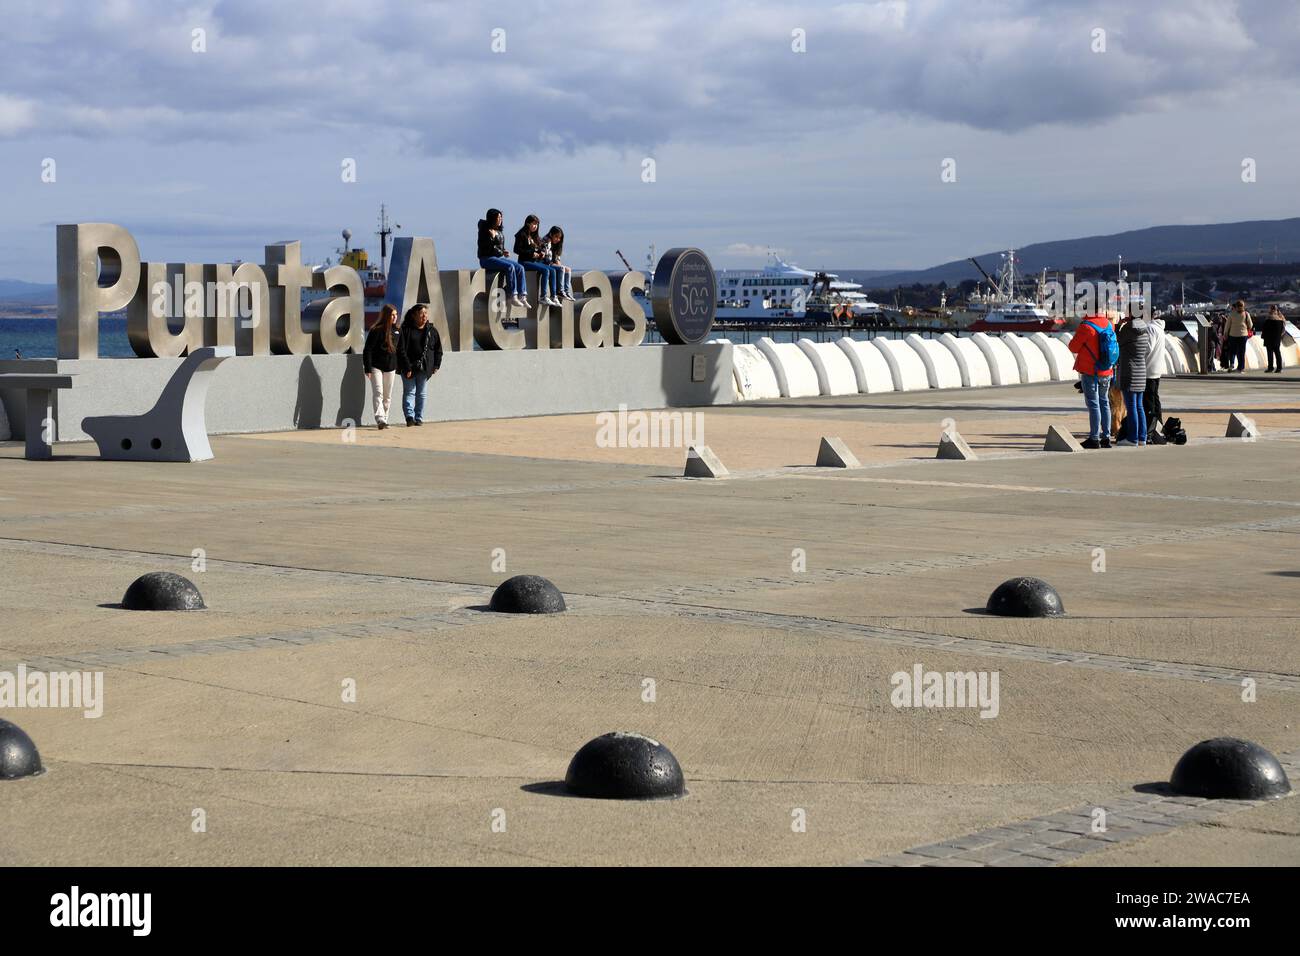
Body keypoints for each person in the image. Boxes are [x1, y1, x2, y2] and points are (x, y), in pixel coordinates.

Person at [1068, 311, 1116, 449]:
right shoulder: (1109, 324)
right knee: (1104, 402)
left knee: (1094, 405)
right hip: (1106, 370)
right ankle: (1106, 438)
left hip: (1091, 371)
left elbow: (1073, 347)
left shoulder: (1086, 326)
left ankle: (1094, 438)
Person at [397, 304, 442, 426]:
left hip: (424, 367)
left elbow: (438, 350)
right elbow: (400, 350)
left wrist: (436, 365)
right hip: (408, 367)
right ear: (414, 315)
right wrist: (407, 366)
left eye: (426, 313)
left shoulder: (432, 331)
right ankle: (409, 417)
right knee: (409, 392)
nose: (424, 316)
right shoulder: (406, 330)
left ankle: (419, 418)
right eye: (421, 313)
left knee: (421, 393)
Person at [477, 209, 528, 308]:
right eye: (498, 217)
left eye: (501, 217)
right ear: (492, 218)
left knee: (520, 267)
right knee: (510, 267)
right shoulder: (484, 231)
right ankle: (512, 295)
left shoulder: (499, 231)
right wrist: (492, 238)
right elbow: (486, 248)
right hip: (486, 259)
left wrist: (503, 251)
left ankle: (522, 295)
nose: (500, 219)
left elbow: (499, 247)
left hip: (498, 258)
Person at [363, 303, 400, 429]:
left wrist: (404, 367)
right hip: (376, 366)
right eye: (392, 315)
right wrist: (367, 368)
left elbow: (401, 350)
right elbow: (367, 350)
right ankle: (380, 419)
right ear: (386, 316)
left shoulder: (397, 331)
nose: (395, 317)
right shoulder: (376, 330)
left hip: (391, 367)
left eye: (396, 315)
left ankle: (385, 418)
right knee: (378, 392)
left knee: (387, 396)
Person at [1116, 313, 1150, 446]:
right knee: (1139, 406)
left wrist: (1119, 325)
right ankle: (1142, 437)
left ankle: (1132, 438)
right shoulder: (1145, 328)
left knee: (1131, 407)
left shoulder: (1128, 328)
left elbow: (1117, 340)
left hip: (1129, 372)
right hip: (1141, 371)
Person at [513, 214, 561, 307]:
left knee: (552, 270)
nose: (535, 226)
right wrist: (531, 254)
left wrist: (541, 253)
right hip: (524, 262)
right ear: (527, 223)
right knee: (546, 270)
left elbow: (537, 249)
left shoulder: (534, 236)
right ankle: (543, 296)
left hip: (534, 261)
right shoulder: (521, 234)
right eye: (533, 224)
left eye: (537, 224)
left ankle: (554, 296)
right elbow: (517, 250)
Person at [1143, 314, 1166, 430]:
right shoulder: (1159, 328)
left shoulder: (1150, 328)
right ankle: (1159, 424)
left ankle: (1150, 427)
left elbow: (1148, 347)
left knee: (1148, 400)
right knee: (1155, 398)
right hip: (1157, 368)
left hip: (1149, 369)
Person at [541, 225, 575, 300]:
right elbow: (545, 258)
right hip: (545, 263)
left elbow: (557, 259)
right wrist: (557, 265)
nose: (558, 239)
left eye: (560, 238)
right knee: (561, 268)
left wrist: (560, 265)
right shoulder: (546, 241)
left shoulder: (557, 245)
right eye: (556, 237)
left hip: (551, 263)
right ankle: (560, 291)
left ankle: (566, 291)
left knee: (567, 269)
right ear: (551, 234)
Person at [1223, 300, 1252, 372]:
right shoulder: (1246, 314)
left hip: (1233, 335)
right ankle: (1241, 367)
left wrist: (1225, 333)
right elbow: (1250, 325)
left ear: (1236, 306)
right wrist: (1246, 328)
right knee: (1241, 352)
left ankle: (1232, 364)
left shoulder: (1232, 314)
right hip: (1243, 335)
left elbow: (1227, 325)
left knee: (1232, 351)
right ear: (1243, 306)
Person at [1262, 304, 1286, 373]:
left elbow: (1264, 329)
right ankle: (1279, 368)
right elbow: (1283, 330)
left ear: (1270, 309)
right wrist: (1279, 336)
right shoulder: (1281, 320)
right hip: (1277, 339)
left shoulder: (1268, 319)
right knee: (1277, 353)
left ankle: (1270, 368)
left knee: (1270, 354)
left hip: (1268, 339)